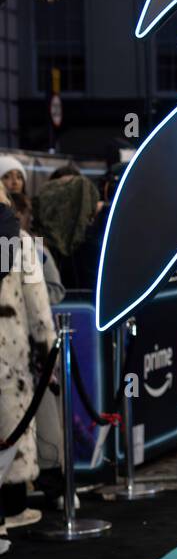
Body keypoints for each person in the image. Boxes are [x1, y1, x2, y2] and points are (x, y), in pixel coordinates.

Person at [0, 181, 57, 529]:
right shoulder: (19, 241)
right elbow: (39, 308)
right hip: (9, 356)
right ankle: (13, 508)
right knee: (12, 426)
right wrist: (48, 354)